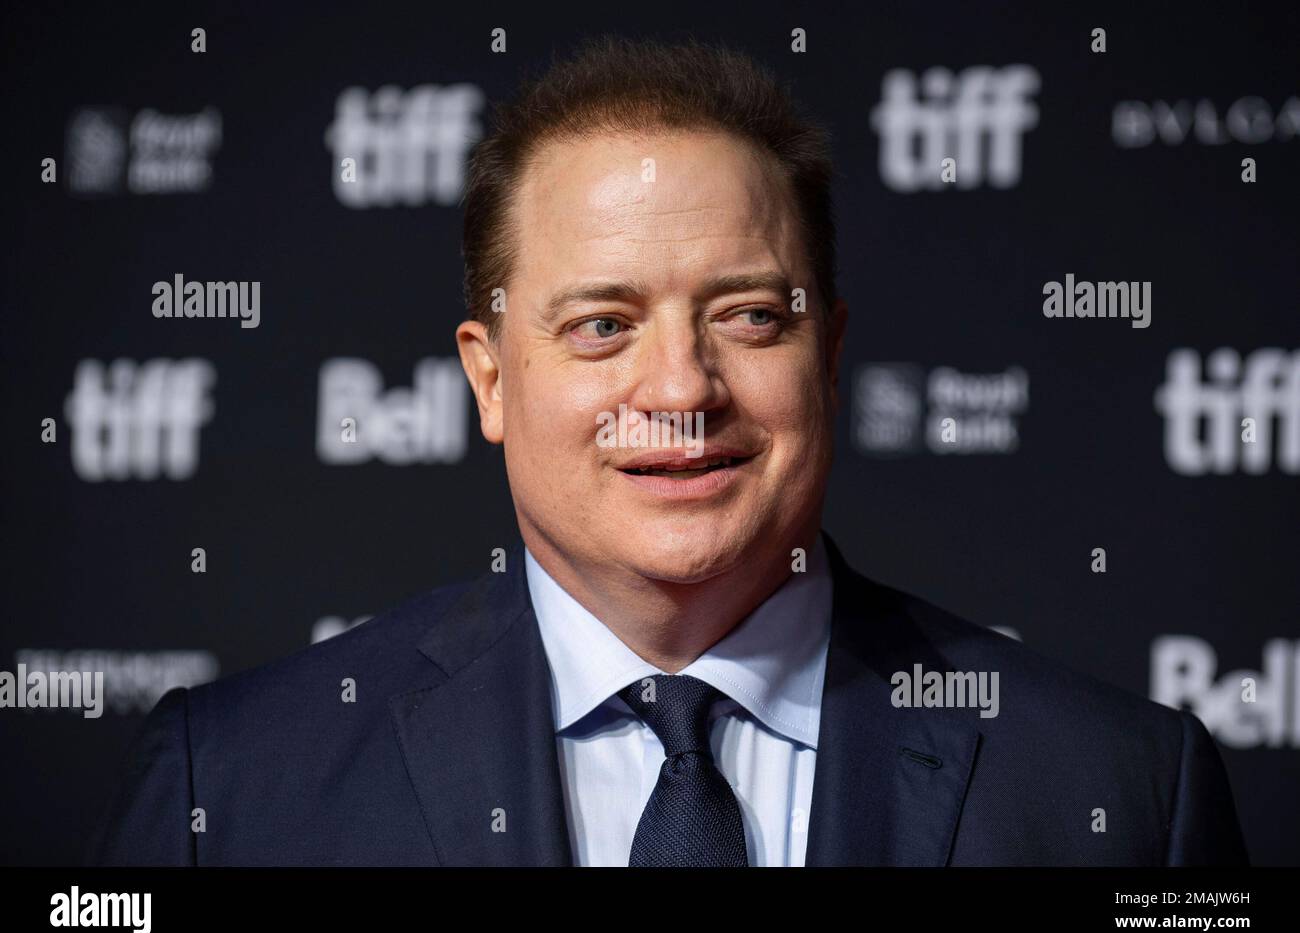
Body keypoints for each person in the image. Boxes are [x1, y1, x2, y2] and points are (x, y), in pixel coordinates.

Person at [87, 35, 1248, 867]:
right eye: (602, 326)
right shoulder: (229, 787)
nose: (682, 387)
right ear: (490, 378)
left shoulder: (1121, 789)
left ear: (828, 354)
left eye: (749, 316)